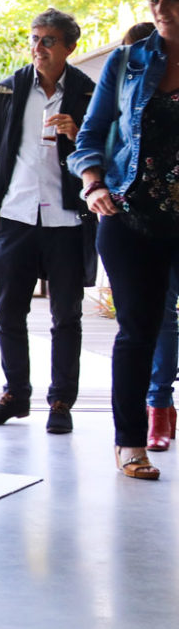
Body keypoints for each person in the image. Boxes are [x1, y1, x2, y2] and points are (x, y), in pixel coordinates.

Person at [0, 8, 97, 435]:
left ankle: (61, 401)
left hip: (68, 220)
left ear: (70, 47)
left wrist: (79, 135)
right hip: (14, 217)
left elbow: (111, 151)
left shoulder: (89, 94)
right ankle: (16, 394)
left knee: (66, 317)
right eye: (34, 39)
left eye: (48, 40)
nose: (38, 47)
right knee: (8, 313)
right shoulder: (6, 91)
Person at [70, 0, 179, 480]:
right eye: (154, 1)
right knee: (138, 329)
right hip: (131, 215)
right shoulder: (128, 62)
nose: (161, 10)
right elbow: (89, 138)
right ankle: (130, 441)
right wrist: (92, 184)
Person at [119, 22, 179, 453]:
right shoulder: (127, 68)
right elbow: (98, 137)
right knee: (156, 319)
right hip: (145, 214)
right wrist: (95, 182)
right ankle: (156, 409)